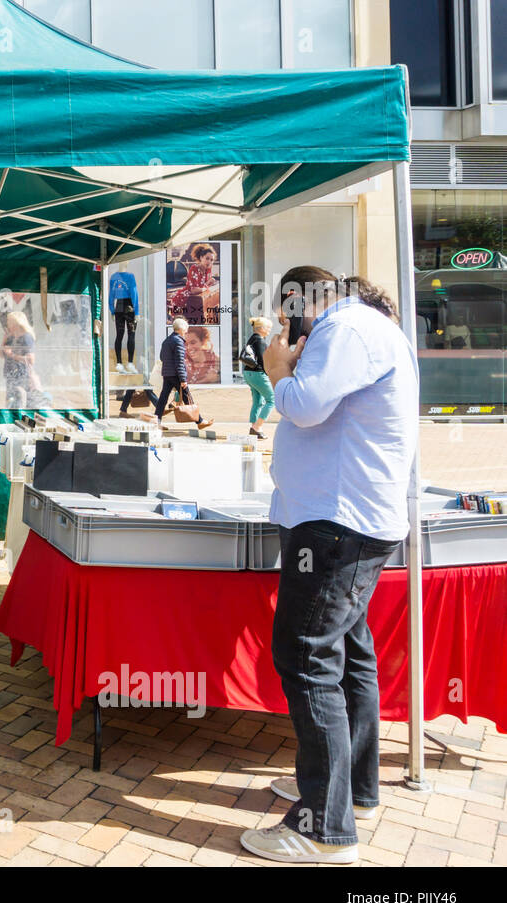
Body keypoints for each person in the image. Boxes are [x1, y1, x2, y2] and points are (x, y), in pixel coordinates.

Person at [237, 266, 418, 865]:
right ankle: (351, 791)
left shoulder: (346, 330)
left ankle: (323, 827)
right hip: (347, 521)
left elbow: (307, 406)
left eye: (288, 314)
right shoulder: (365, 328)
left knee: (307, 656)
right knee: (347, 654)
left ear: (301, 303)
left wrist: (276, 368)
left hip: (336, 524)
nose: (289, 327)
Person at [153, 317, 213, 429]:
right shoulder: (178, 342)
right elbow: (180, 362)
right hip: (176, 375)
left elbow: (162, 357)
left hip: (167, 373)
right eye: (186, 328)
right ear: (181, 329)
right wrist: (183, 379)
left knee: (163, 398)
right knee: (187, 397)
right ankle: (199, 421)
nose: (186, 331)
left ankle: (157, 422)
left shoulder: (167, 340)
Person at [243, 316, 274, 439]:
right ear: (260, 328)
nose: (269, 330)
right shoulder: (260, 341)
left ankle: (254, 427)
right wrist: (269, 374)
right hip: (258, 373)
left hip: (248, 373)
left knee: (257, 401)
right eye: (268, 327)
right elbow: (263, 360)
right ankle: (257, 427)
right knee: (272, 399)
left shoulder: (252, 339)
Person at [0, 311, 37, 409]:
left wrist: (12, 355)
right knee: (10, 403)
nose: (7, 323)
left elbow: (31, 359)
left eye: (9, 321)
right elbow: (1, 355)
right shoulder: (11, 337)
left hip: (21, 376)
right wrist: (4, 340)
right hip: (10, 375)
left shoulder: (26, 337)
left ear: (15, 323)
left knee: (20, 402)